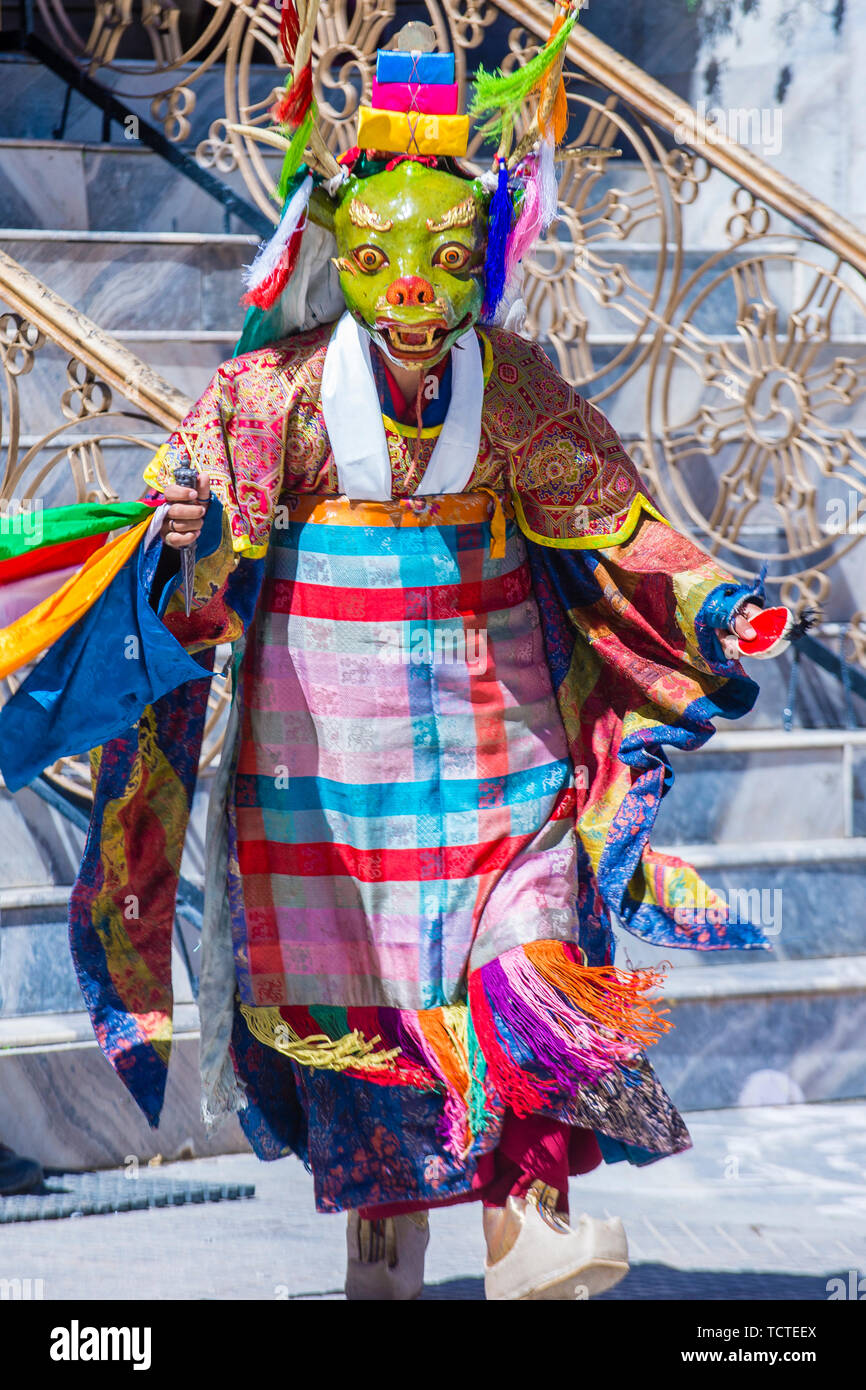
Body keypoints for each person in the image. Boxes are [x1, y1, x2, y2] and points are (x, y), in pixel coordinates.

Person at [0, 7, 783, 1298]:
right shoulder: (271, 395)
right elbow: (192, 567)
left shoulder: (518, 386)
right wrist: (185, 531)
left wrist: (712, 604)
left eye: (443, 252)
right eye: (381, 254)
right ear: (336, 249)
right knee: (356, 1026)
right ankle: (383, 1251)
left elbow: (616, 521)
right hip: (324, 781)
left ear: (481, 251)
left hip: (498, 747)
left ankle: (527, 1229)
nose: (413, 287)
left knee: (526, 964)